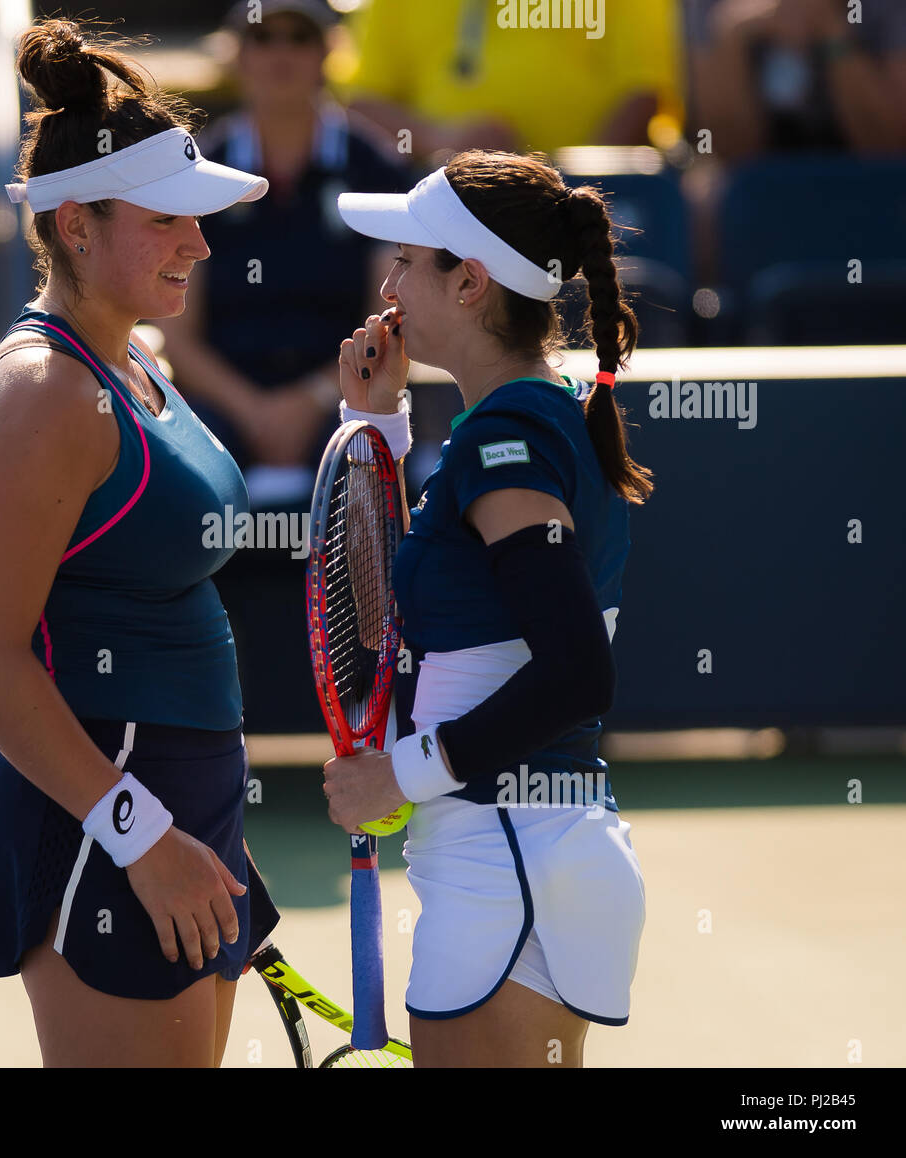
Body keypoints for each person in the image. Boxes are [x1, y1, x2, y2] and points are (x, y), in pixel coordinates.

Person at [0, 17, 279, 1068]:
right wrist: (137, 831)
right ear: (75, 227)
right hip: (111, 815)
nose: (199, 244)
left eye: (196, 217)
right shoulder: (45, 395)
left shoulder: (137, 360)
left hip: (174, 799)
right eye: (166, 219)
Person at [321, 150, 649, 1066]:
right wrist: (380, 426)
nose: (387, 286)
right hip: (536, 852)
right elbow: (420, 612)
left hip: (506, 862)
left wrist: (401, 775)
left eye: (406, 262)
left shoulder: (507, 438)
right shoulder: (538, 415)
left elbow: (577, 674)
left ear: (469, 283)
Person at [157, 0, 415, 510]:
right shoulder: (202, 169)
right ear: (238, 55)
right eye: (262, 37)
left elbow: (388, 316)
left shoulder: (376, 166)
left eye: (299, 37)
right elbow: (178, 335)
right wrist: (252, 410)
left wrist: (311, 402)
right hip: (221, 411)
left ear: (328, 53)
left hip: (344, 400)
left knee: (371, 474)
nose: (281, 54)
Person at [341, 0, 684, 160]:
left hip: (588, 213)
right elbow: (361, 104)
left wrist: (570, 191)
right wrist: (439, 140)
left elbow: (644, 95)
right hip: (448, 203)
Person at [686, 0, 906, 157]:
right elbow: (728, 152)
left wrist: (832, 32)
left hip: (864, 187)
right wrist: (734, 35)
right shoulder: (710, 7)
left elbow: (888, 147)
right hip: (762, 188)